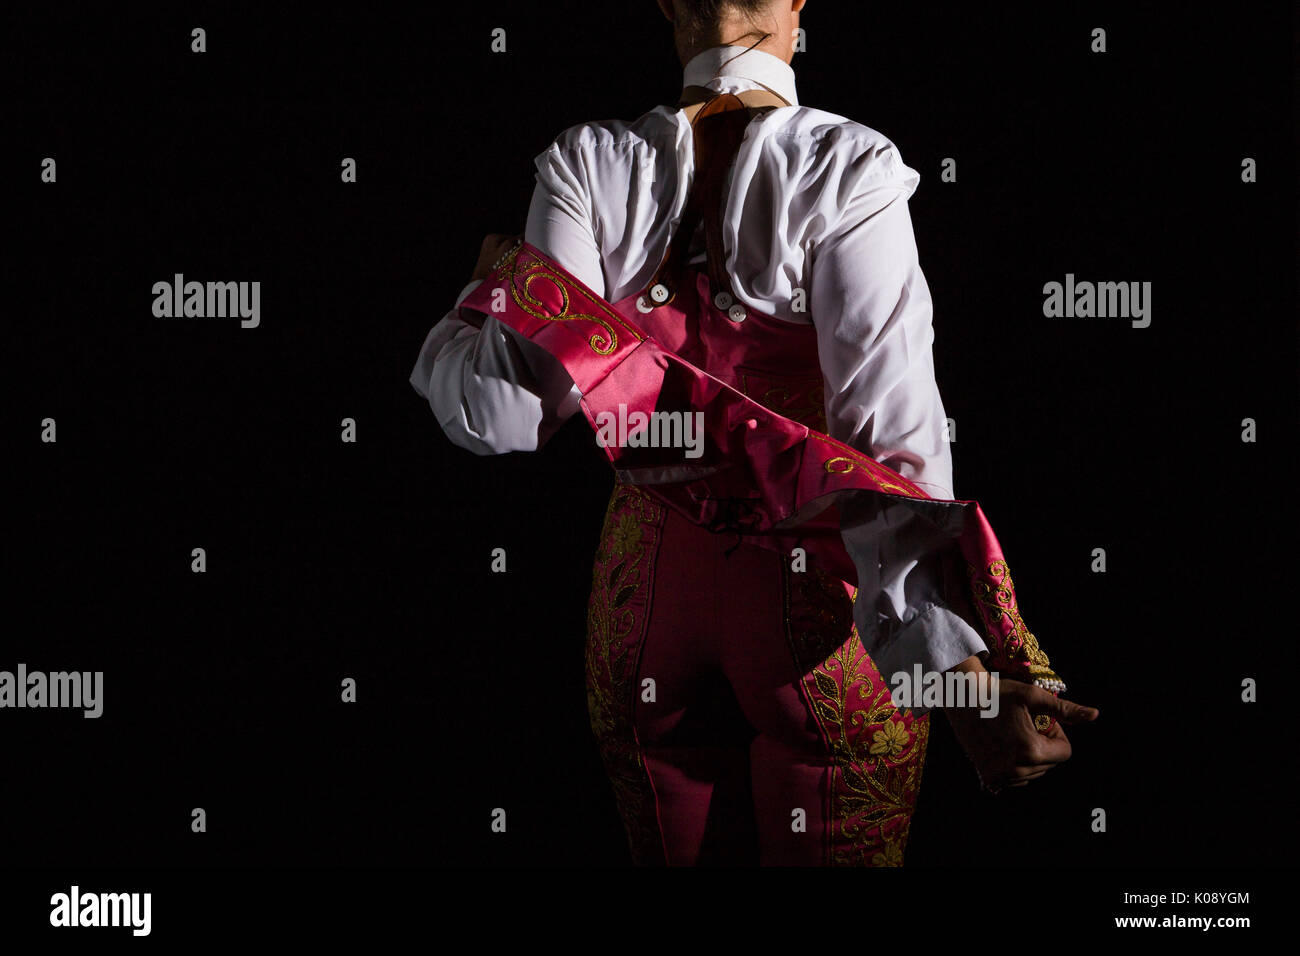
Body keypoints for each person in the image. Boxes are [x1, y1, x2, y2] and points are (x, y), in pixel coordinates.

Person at [409, 0, 1098, 865]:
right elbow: (894, 454)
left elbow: (508, 417)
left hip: (644, 608)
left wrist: (473, 309)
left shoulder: (587, 162)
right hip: (820, 630)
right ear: (799, 5)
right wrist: (955, 679)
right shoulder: (851, 166)